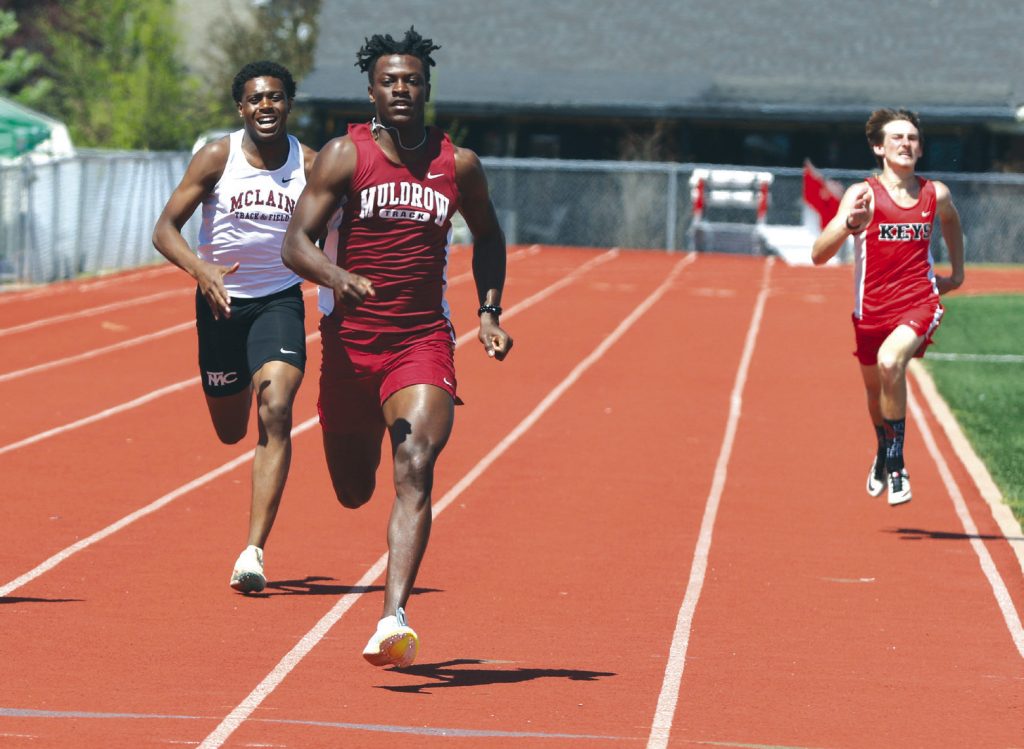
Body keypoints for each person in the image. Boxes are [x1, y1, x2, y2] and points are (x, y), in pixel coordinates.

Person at [281, 27, 512, 667]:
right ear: (372, 91)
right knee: (354, 489)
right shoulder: (343, 156)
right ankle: (359, 459)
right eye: (390, 80)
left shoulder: (457, 164)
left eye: (412, 79)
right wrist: (335, 278)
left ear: (427, 89)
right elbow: (295, 242)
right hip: (350, 346)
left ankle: (393, 618)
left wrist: (488, 311)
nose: (402, 89)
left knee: (414, 464)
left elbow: (489, 238)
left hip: (421, 340)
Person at [152, 61, 317, 592]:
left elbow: (343, 230)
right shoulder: (217, 156)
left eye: (274, 97)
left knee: (277, 407)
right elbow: (164, 229)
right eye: (254, 99)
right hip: (220, 304)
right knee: (230, 431)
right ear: (240, 108)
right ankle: (239, 377)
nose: (264, 107)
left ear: (288, 103)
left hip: (279, 301)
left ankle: (252, 552)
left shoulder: (310, 164)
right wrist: (201, 269)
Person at [812, 108, 964, 506]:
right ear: (879, 147)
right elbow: (818, 254)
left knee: (890, 361)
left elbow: (951, 222)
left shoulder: (936, 194)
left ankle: (896, 463)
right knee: (874, 388)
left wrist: (957, 273)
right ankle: (883, 447)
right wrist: (848, 224)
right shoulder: (862, 195)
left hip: (918, 302)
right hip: (870, 311)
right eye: (897, 137)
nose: (906, 144)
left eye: (913, 138)